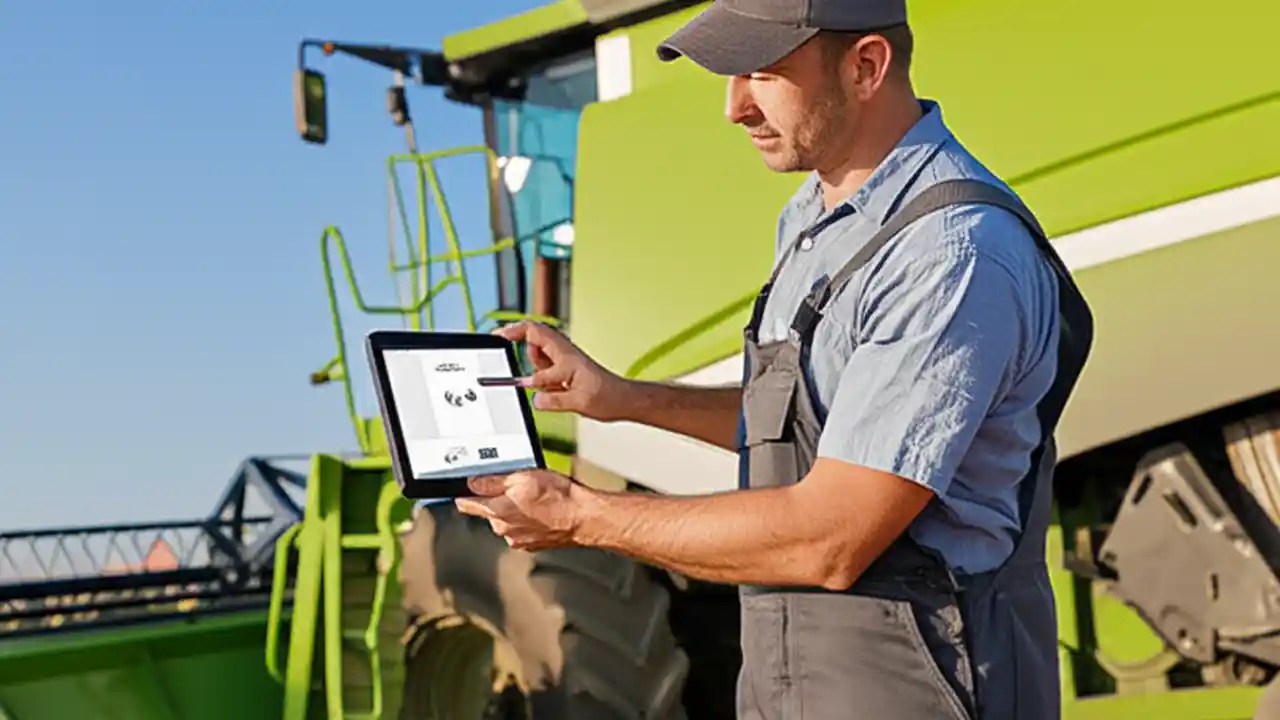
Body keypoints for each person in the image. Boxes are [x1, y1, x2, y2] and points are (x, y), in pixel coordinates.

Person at [454, 0, 1094, 717]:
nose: (733, 108)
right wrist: (624, 399)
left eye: (761, 73)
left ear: (866, 67)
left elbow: (833, 537)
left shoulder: (949, 252)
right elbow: (825, 425)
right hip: (796, 679)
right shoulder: (812, 219)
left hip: (923, 686)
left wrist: (580, 516)